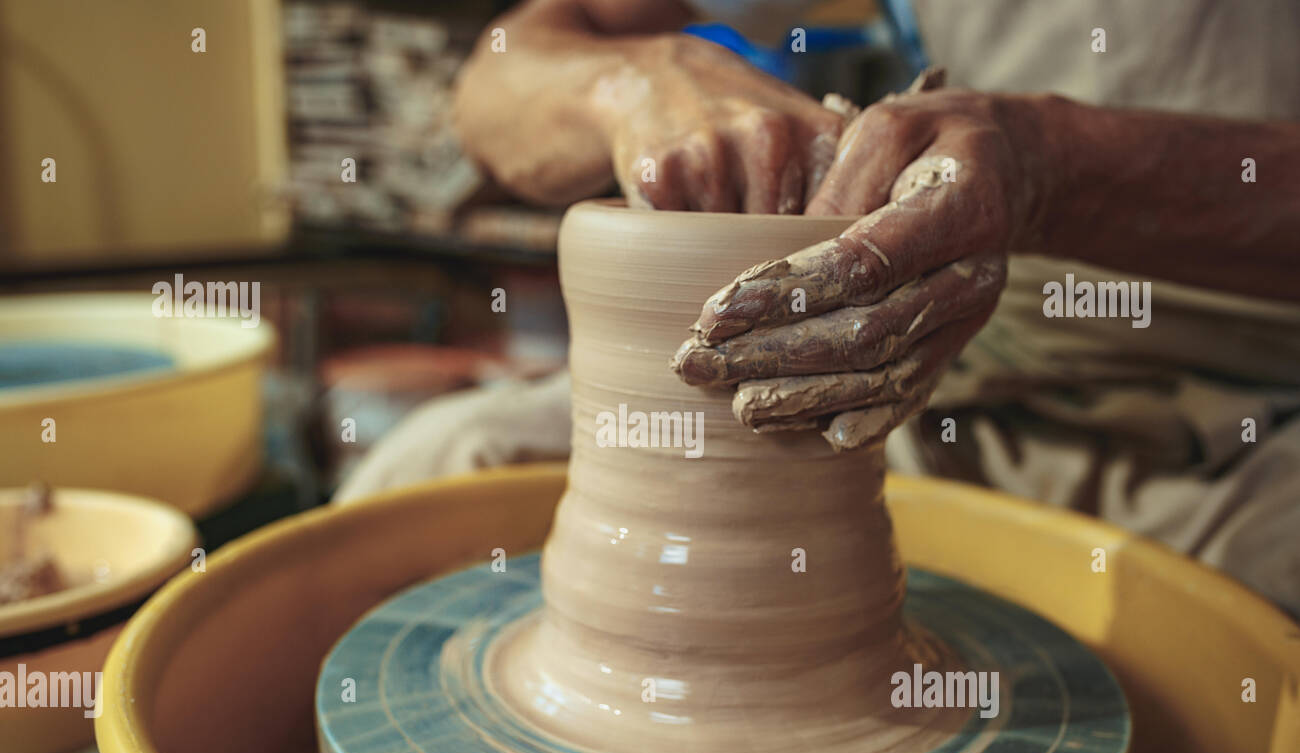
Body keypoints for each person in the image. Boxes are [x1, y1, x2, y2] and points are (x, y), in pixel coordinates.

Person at [337, 0, 1300, 617]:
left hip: (1252, 432)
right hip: (932, 372)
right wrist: (632, 74)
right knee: (434, 465)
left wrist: (1053, 168)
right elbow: (500, 78)